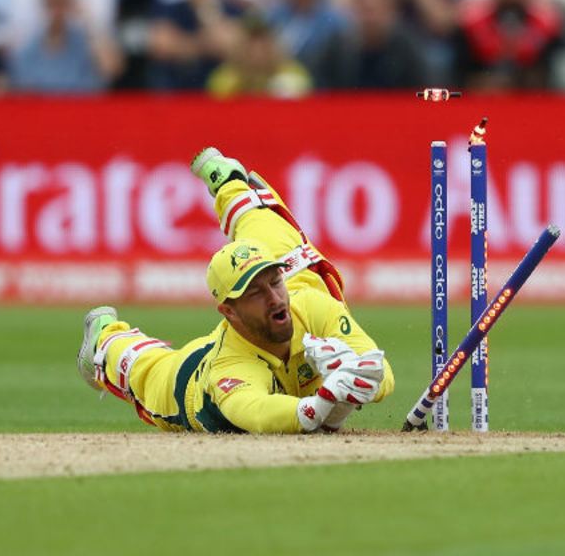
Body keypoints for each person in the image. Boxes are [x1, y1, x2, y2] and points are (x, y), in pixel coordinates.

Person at [76, 148, 394, 433]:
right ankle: (104, 338)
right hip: (194, 385)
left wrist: (359, 379)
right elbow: (258, 413)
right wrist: (326, 399)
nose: (273, 297)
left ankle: (230, 182)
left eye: (274, 281)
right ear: (228, 311)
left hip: (265, 325)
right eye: (255, 292)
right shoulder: (227, 369)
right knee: (145, 370)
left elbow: (380, 371)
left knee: (284, 246)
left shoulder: (309, 306)